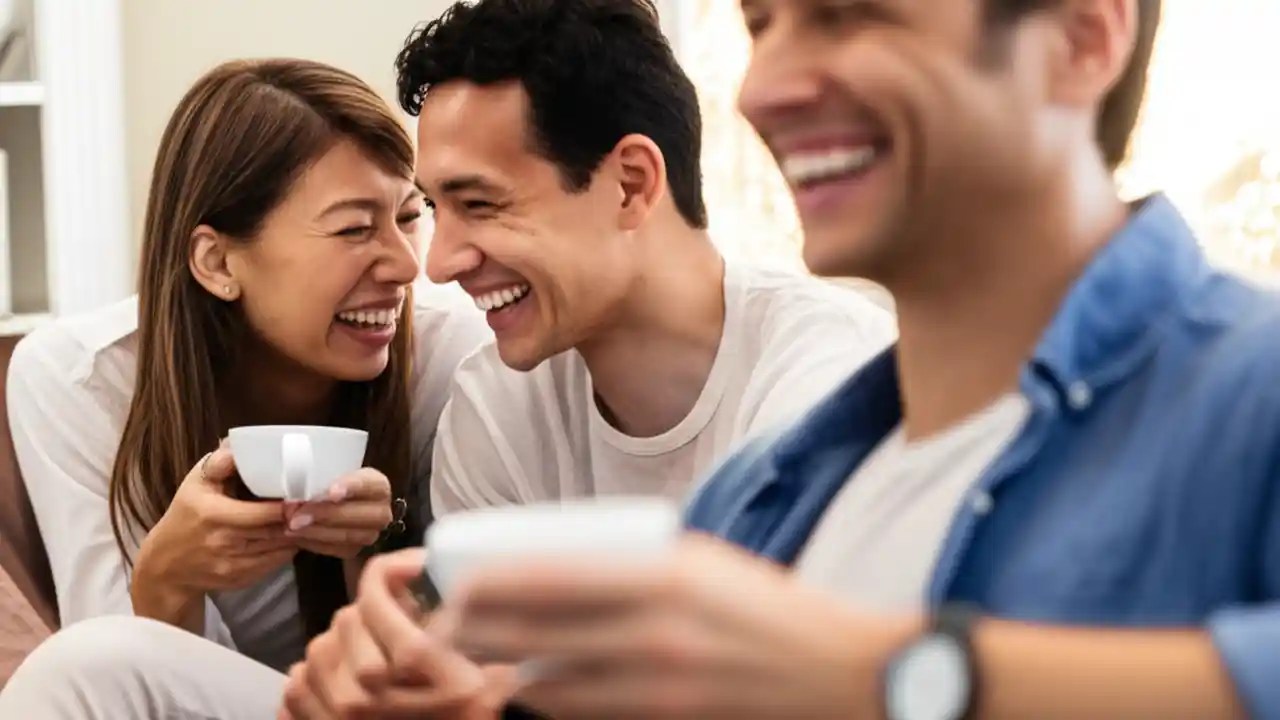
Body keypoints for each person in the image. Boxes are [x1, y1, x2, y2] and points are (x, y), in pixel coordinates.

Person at [289, 0, 1280, 719]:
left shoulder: (1246, 394)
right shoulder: (768, 497)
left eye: (846, 17)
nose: (762, 89)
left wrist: (886, 678)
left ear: (1077, 38)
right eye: (760, 25)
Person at [0, 57, 490, 718]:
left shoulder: (449, 353)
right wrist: (168, 577)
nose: (408, 266)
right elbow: (127, 685)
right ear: (216, 261)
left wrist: (375, 547)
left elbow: (474, 650)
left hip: (390, 700)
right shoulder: (80, 378)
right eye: (353, 228)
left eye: (408, 216)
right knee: (81, 665)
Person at [412, 0, 893, 515]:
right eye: (434, 208)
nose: (439, 264)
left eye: (480, 204)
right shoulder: (494, 409)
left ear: (631, 184)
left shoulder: (832, 378)